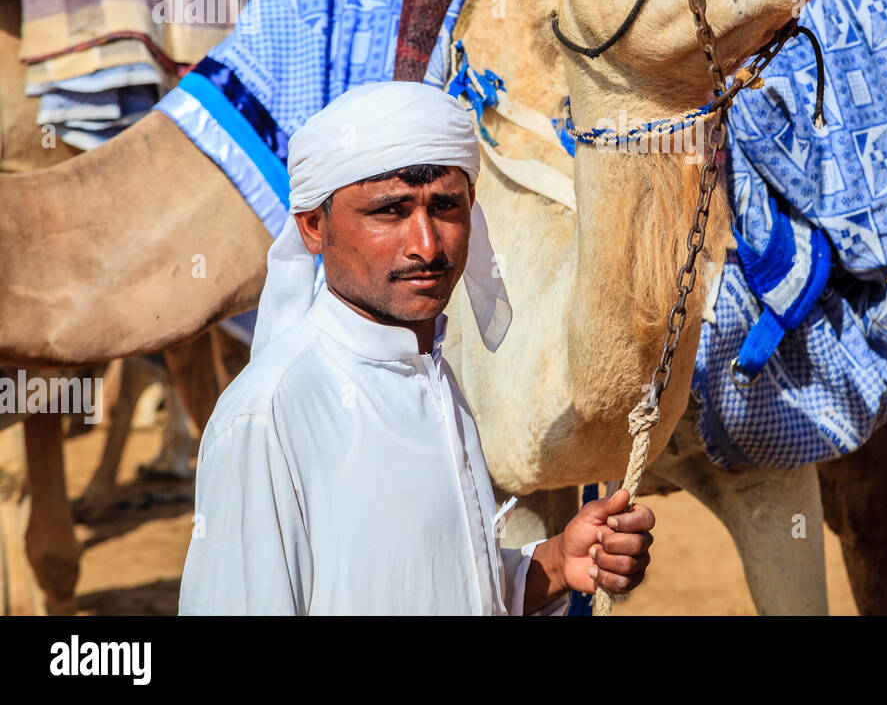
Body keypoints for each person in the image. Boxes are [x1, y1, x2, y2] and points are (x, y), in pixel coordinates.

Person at [179, 81, 654, 615]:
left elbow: (444, 587)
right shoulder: (268, 415)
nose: (426, 245)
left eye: (445, 207)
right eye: (390, 211)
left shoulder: (433, 379)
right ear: (314, 227)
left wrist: (557, 563)